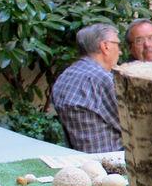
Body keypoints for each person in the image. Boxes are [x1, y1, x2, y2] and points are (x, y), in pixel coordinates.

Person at [52, 23, 124, 153]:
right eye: (117, 44)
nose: (120, 51)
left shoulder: (65, 76)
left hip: (79, 158)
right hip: (112, 160)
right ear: (105, 46)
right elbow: (128, 125)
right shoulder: (101, 79)